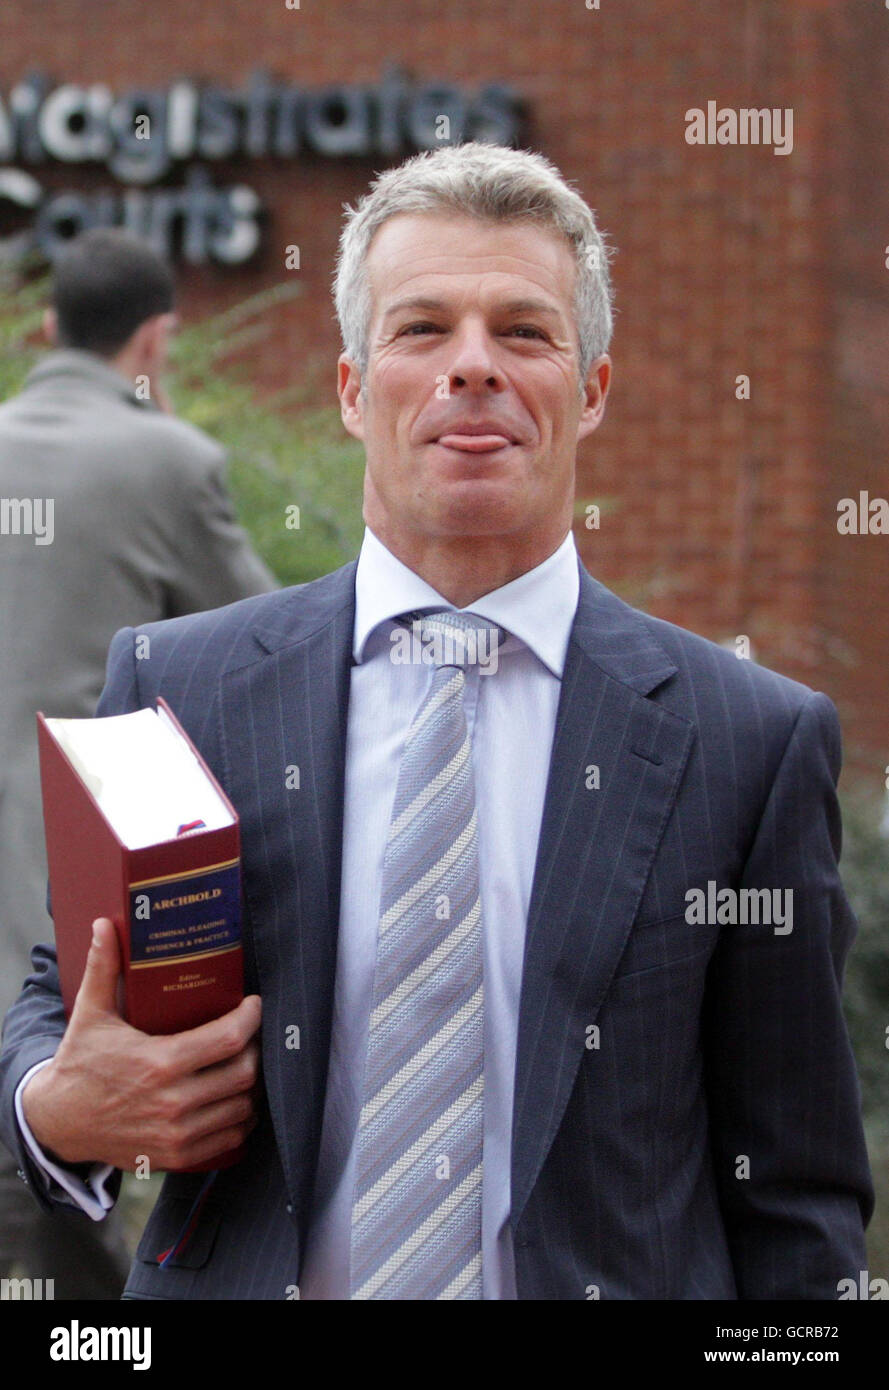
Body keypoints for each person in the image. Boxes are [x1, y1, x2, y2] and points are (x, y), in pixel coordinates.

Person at [0, 144, 873, 1300]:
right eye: (421, 330)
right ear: (355, 391)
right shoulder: (182, 683)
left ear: (592, 389)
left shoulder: (749, 742)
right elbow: (66, 998)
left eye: (523, 331)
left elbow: (796, 1198)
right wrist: (53, 1103)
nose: (473, 367)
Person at [0, 227, 277, 1297]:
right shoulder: (167, 459)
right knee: (62, 1236)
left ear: (45, 328)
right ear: (157, 338)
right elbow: (270, 654)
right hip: (66, 898)